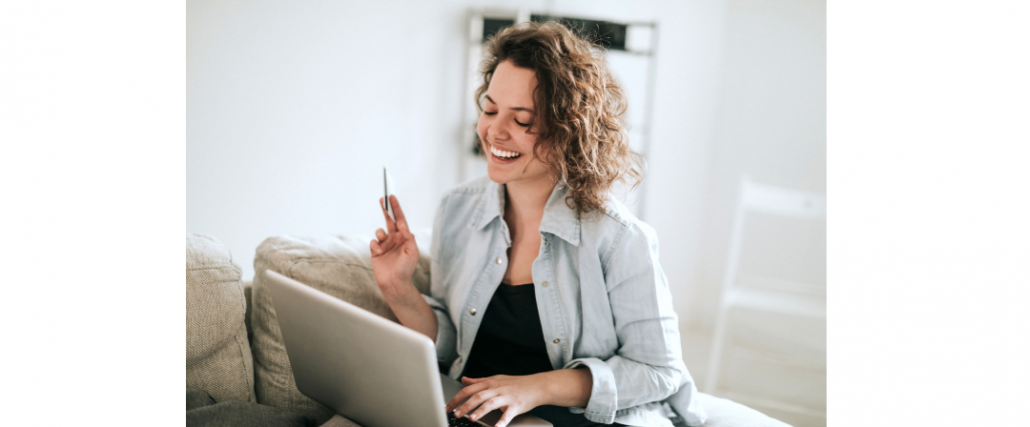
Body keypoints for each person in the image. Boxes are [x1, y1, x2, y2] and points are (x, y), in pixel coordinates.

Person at [369, 21, 706, 427]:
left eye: (522, 119)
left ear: (568, 130)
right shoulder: (458, 209)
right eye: (490, 109)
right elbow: (453, 347)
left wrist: (534, 388)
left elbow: (659, 371)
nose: (494, 131)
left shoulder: (618, 238)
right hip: (481, 414)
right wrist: (397, 287)